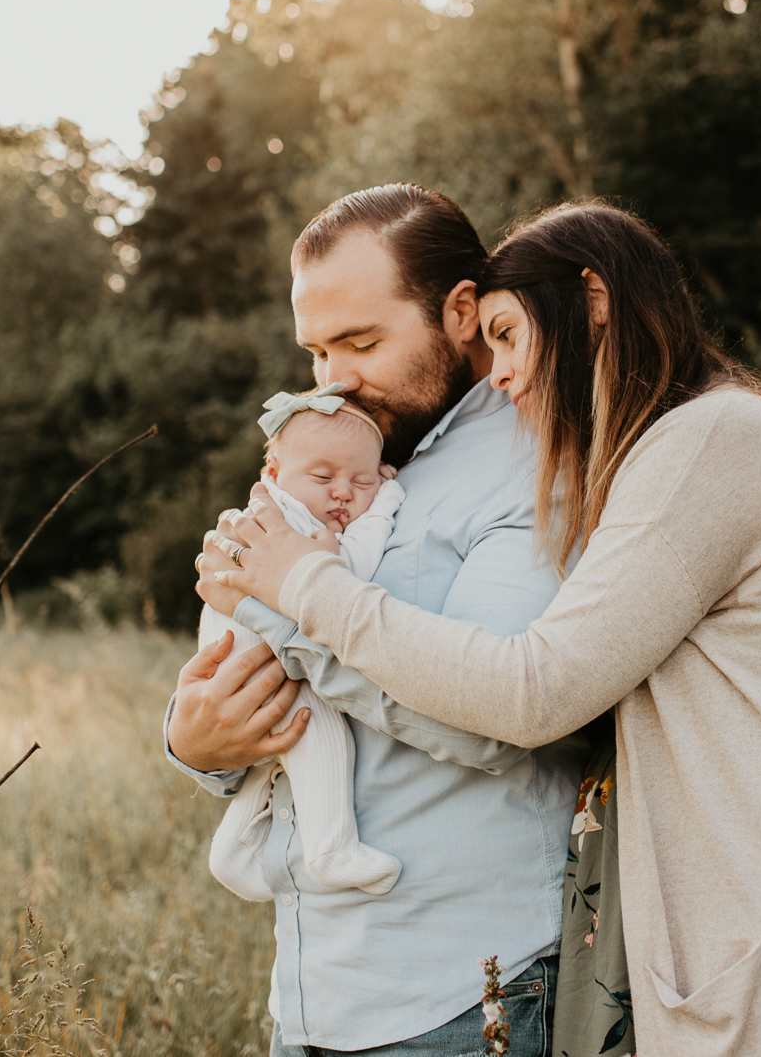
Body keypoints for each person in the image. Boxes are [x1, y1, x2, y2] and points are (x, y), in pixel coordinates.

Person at [205, 200, 761, 1056]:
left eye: (508, 334)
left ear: (594, 302)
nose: (497, 374)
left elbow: (535, 692)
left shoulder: (712, 441)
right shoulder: (668, 446)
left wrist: (301, 586)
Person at [163, 185, 580, 1056]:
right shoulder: (341, 463)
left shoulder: (532, 465)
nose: (334, 380)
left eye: (360, 342)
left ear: (460, 311)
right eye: (316, 352)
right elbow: (251, 655)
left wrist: (290, 605)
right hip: (314, 994)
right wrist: (198, 744)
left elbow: (506, 719)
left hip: (462, 994)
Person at [196, 389, 406, 901]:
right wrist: (387, 501)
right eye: (323, 477)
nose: (343, 494)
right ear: (272, 473)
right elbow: (347, 574)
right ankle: (332, 847)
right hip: (266, 655)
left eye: (362, 481)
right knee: (317, 728)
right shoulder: (289, 521)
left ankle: (232, 850)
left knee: (276, 749)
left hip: (239, 659)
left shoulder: (268, 512)